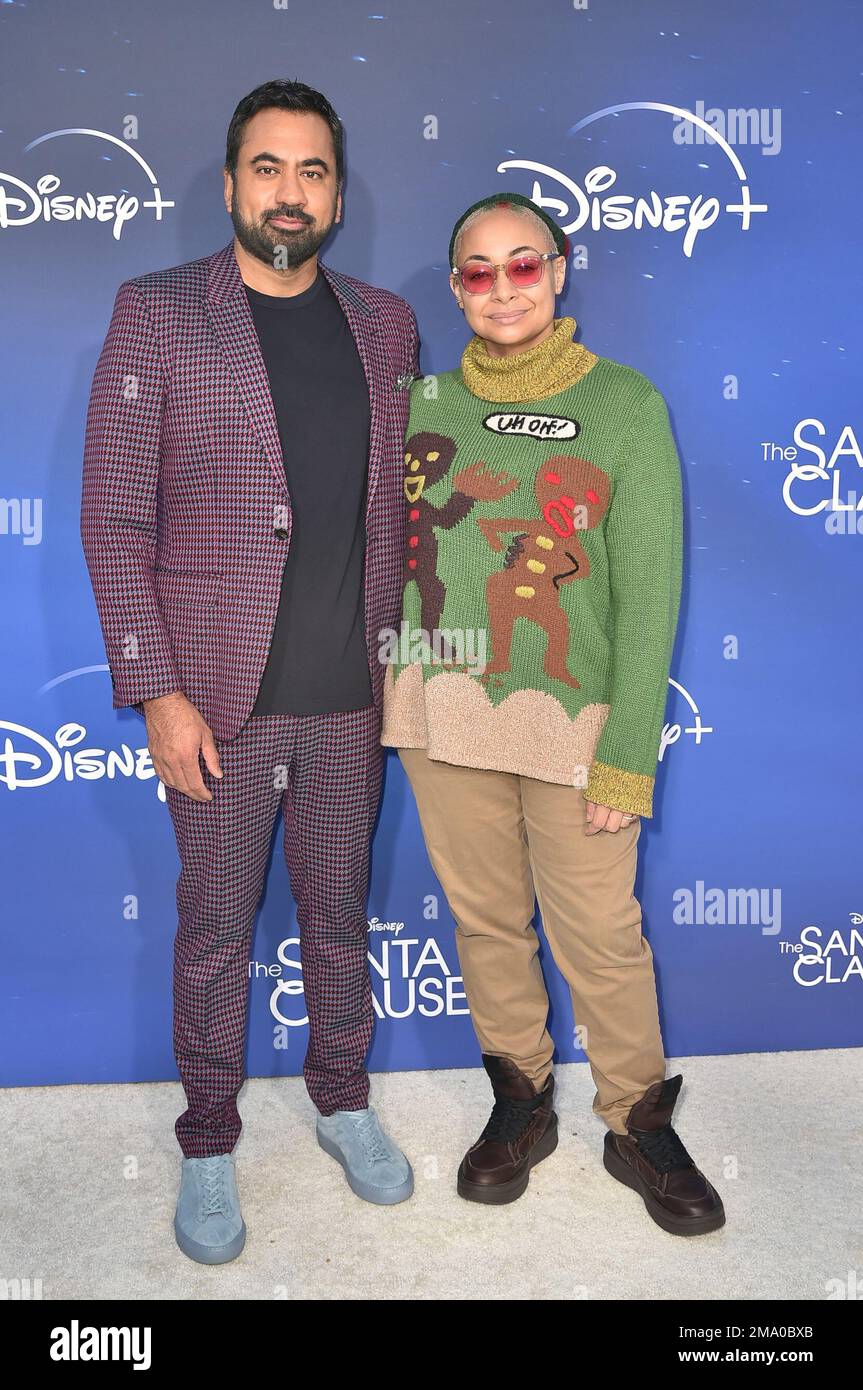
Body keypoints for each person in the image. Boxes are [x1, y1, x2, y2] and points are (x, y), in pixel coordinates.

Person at [80, 79, 418, 1265]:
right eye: (267, 168)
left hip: (347, 699)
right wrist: (157, 690)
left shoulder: (383, 325)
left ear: (335, 192)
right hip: (215, 703)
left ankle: (342, 1101)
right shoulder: (157, 311)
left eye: (312, 171)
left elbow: (398, 514)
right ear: (230, 186)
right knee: (216, 929)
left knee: (338, 923)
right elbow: (115, 520)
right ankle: (210, 1139)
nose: (290, 191)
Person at [381, 191, 725, 1235]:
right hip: (440, 705)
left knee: (598, 933)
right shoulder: (420, 398)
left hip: (572, 721)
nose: (499, 290)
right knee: (486, 920)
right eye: (476, 272)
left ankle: (633, 1120)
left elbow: (649, 588)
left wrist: (626, 755)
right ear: (454, 288)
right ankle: (520, 1100)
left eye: (520, 266)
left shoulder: (624, 404)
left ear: (560, 269)